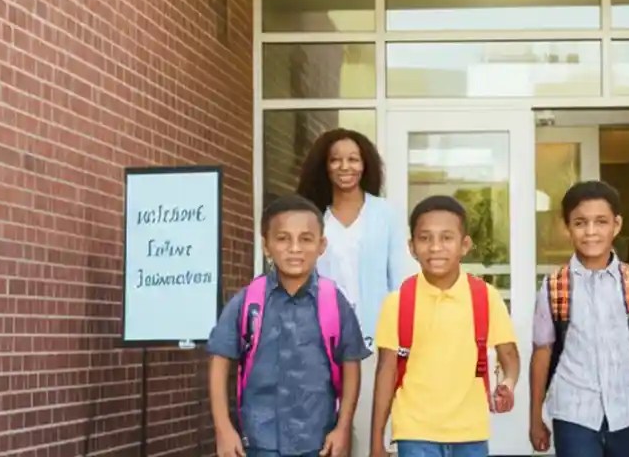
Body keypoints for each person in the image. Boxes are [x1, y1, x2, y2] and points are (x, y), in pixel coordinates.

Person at [207, 195, 371, 457]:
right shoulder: (249, 301)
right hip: (259, 442)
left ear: (321, 245)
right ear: (266, 246)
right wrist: (223, 429)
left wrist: (342, 428)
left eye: (306, 239)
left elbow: (351, 365)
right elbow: (220, 360)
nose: (295, 248)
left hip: (318, 442)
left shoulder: (333, 302)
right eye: (283, 239)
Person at [369, 195, 521, 457]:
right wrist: (376, 443)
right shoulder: (398, 302)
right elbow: (386, 373)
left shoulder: (485, 297)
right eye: (425, 238)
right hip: (414, 431)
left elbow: (510, 357)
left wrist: (507, 383)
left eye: (446, 238)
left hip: (471, 432)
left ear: (465, 245)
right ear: (411, 247)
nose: (435, 247)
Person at [297, 129, 416, 456]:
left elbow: (400, 279)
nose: (344, 166)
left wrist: (401, 339)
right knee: (323, 437)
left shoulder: (384, 214)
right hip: (317, 342)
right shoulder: (311, 216)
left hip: (373, 343)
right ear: (325, 166)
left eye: (353, 159)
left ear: (365, 165)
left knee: (367, 434)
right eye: (335, 160)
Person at [529, 180, 629, 457]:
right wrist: (535, 418)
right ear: (566, 227)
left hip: (624, 410)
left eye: (600, 222)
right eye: (580, 223)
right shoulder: (555, 286)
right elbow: (542, 353)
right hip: (574, 412)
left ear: (616, 225)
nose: (591, 232)